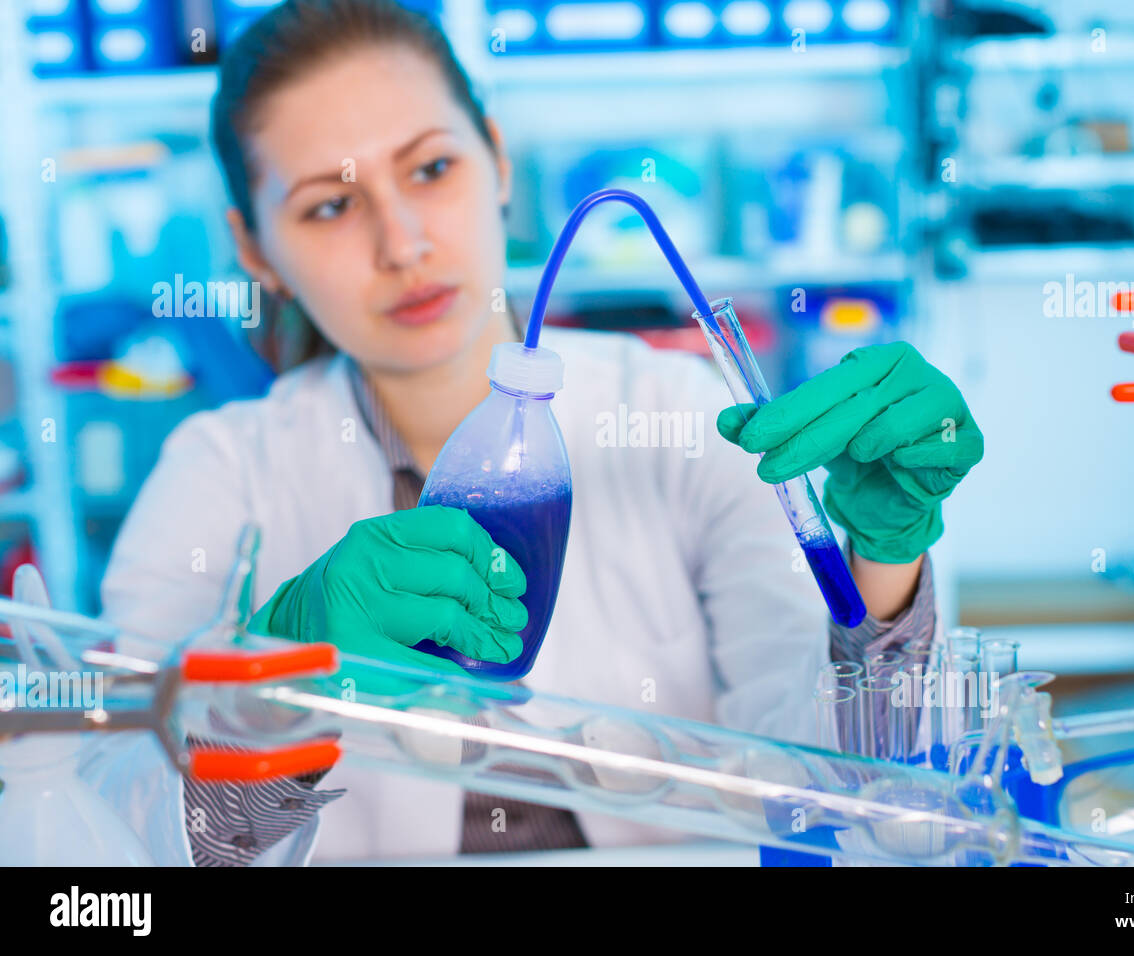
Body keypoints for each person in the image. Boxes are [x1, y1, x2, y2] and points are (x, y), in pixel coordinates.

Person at [90, 0, 983, 865]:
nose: (401, 242)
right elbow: (122, 841)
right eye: (331, 206)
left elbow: (844, 791)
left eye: (431, 169)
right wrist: (285, 682)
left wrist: (883, 572)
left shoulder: (678, 414)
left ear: (499, 160)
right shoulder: (217, 473)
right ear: (254, 252)